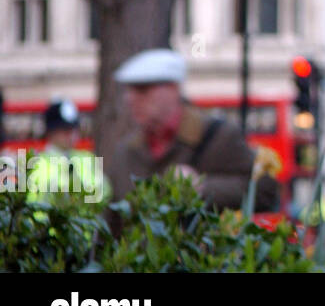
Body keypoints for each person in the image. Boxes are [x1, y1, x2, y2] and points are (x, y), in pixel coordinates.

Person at [105, 48, 278, 212]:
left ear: (173, 88)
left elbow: (265, 192)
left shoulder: (219, 137)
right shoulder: (125, 153)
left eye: (143, 90)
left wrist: (202, 186)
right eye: (129, 91)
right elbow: (111, 223)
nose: (130, 99)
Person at [27, 98, 108, 209]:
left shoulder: (87, 158)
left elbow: (105, 191)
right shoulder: (36, 163)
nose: (71, 135)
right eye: (65, 130)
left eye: (74, 129)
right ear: (51, 131)